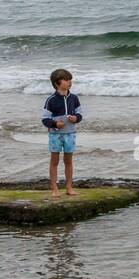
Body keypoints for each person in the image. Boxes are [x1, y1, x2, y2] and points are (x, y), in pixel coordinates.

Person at [41, 68, 84, 197]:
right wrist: (55, 124)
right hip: (56, 135)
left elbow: (80, 114)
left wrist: (76, 118)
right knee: (54, 161)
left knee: (68, 161)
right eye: (66, 80)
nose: (69, 82)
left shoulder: (74, 98)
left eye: (70, 79)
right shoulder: (51, 100)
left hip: (70, 134)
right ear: (57, 83)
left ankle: (69, 187)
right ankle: (54, 188)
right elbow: (44, 119)